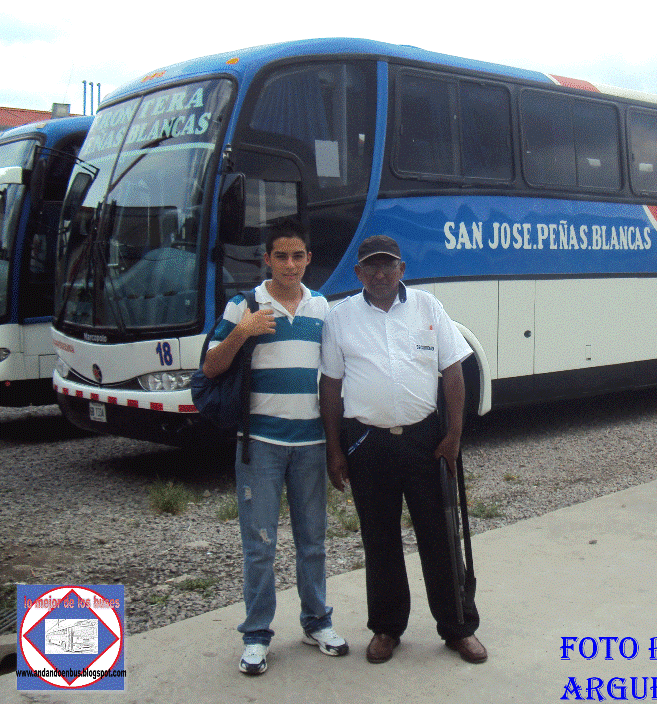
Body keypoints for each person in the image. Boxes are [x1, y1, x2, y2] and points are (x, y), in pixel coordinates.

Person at [319, 234, 487, 664]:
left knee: (441, 538)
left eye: (387, 265)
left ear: (402, 270)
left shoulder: (429, 308)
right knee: (380, 541)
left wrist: (454, 434)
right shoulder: (340, 318)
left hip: (424, 442)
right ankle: (387, 629)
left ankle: (457, 628)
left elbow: (453, 371)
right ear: (358, 273)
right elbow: (331, 385)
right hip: (367, 443)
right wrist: (335, 450)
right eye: (370, 267)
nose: (379, 274)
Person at [203, 218, 348, 675]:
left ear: (308, 259)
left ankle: (317, 622)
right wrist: (242, 330)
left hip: (310, 442)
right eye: (280, 256)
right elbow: (210, 368)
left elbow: (334, 375)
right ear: (267, 259)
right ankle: (256, 636)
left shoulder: (323, 309)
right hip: (260, 444)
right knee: (260, 544)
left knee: (313, 541)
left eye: (298, 256)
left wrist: (335, 444)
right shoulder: (243, 305)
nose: (290, 264)